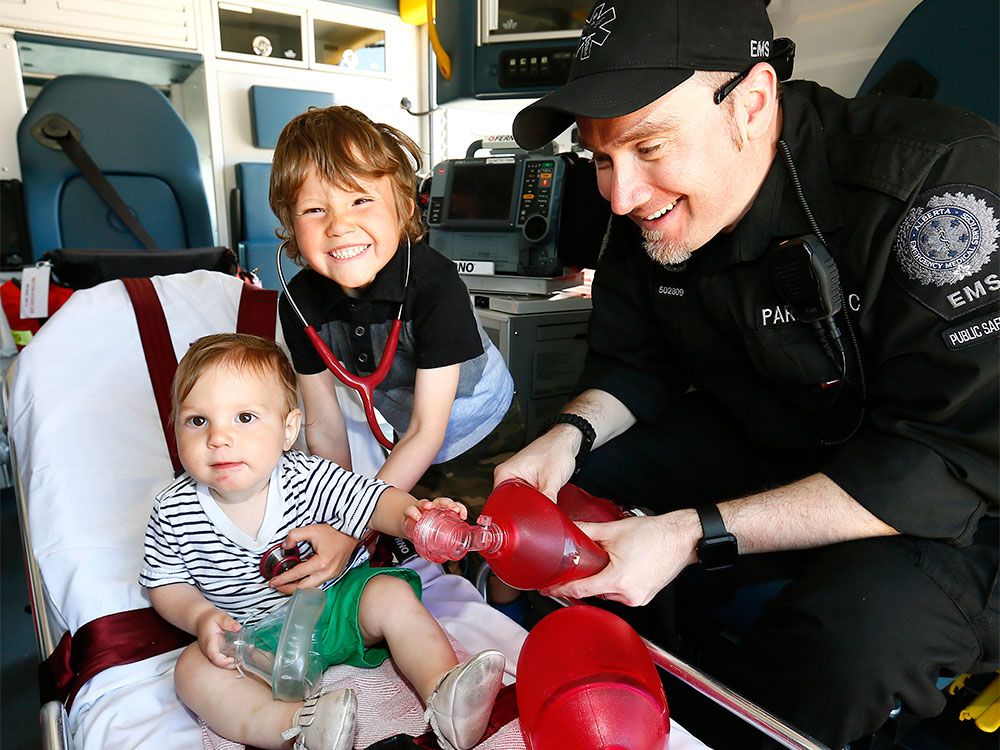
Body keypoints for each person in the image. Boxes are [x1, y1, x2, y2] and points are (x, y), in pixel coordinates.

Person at [494, 0, 999, 747]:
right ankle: (631, 700)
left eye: (649, 146)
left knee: (848, 637)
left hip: (968, 491)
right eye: (600, 159)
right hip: (785, 426)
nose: (622, 196)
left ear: (753, 103)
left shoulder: (936, 186)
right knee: (575, 499)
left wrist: (692, 535)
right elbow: (637, 361)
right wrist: (567, 437)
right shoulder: (647, 202)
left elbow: (947, 457)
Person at [139, 333, 505, 750]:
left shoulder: (307, 476)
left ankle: (445, 692)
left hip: (336, 609)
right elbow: (165, 583)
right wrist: (200, 616)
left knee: (388, 593)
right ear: (174, 428)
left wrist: (415, 518)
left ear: (288, 429)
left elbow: (374, 500)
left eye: (244, 417)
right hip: (255, 642)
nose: (218, 438)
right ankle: (301, 728)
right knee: (191, 670)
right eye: (197, 421)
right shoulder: (173, 509)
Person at [268, 105, 524, 611]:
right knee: (433, 538)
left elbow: (431, 428)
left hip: (484, 429)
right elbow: (324, 426)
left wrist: (351, 526)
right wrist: (336, 512)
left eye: (361, 200)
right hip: (411, 437)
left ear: (404, 207)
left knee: (500, 549)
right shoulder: (297, 303)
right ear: (290, 226)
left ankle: (507, 612)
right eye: (314, 210)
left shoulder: (434, 285)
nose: (339, 226)